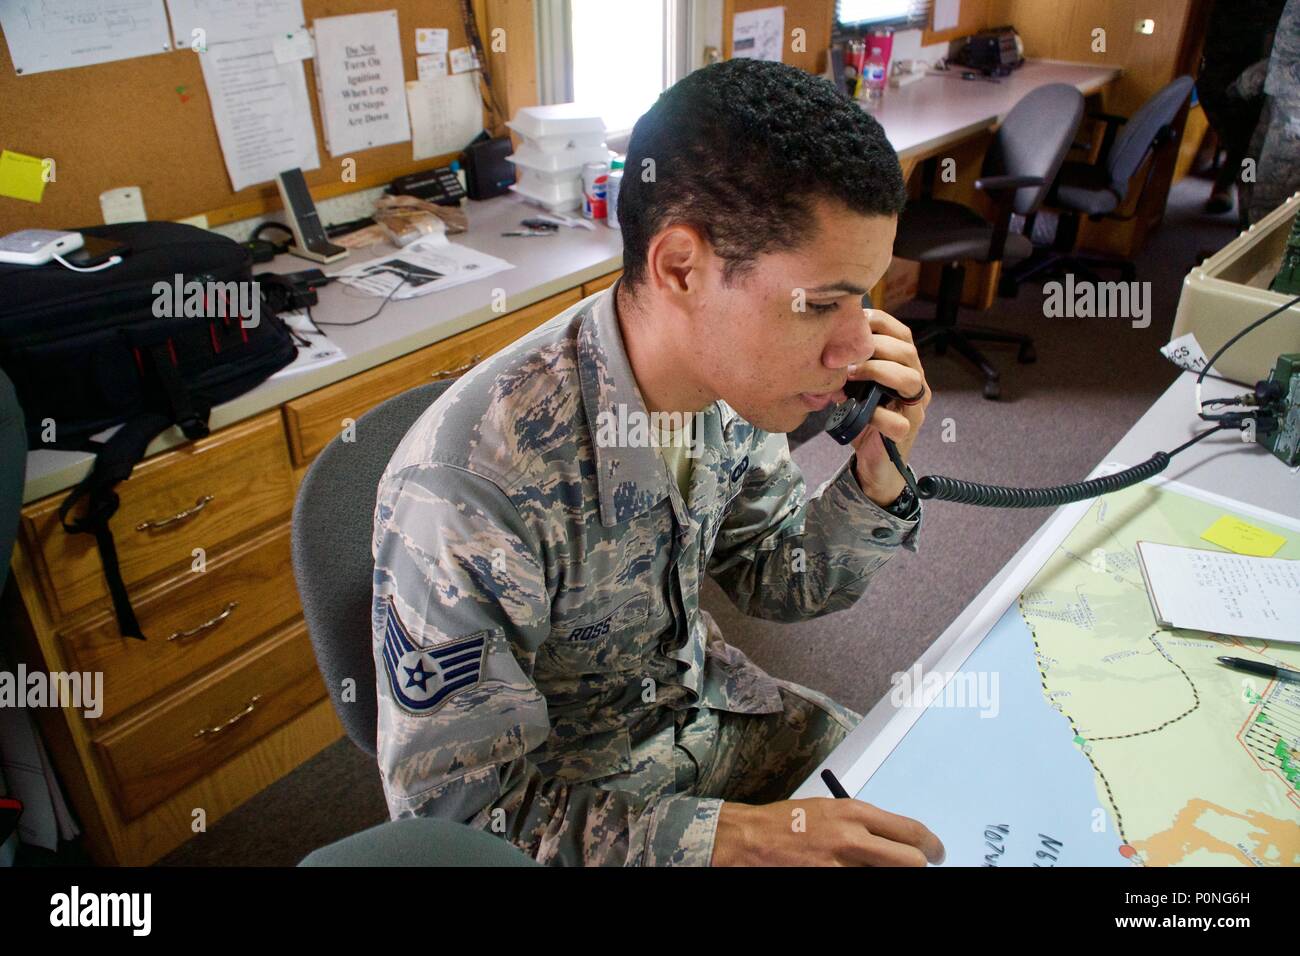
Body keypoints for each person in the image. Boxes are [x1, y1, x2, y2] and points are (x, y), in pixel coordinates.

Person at [370, 57, 945, 867]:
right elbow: (460, 829)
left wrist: (877, 473)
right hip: (580, 808)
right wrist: (731, 842)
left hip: (709, 717)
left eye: (864, 298)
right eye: (820, 304)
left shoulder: (735, 382)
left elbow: (778, 579)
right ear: (681, 268)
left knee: (927, 790)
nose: (856, 347)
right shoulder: (469, 488)